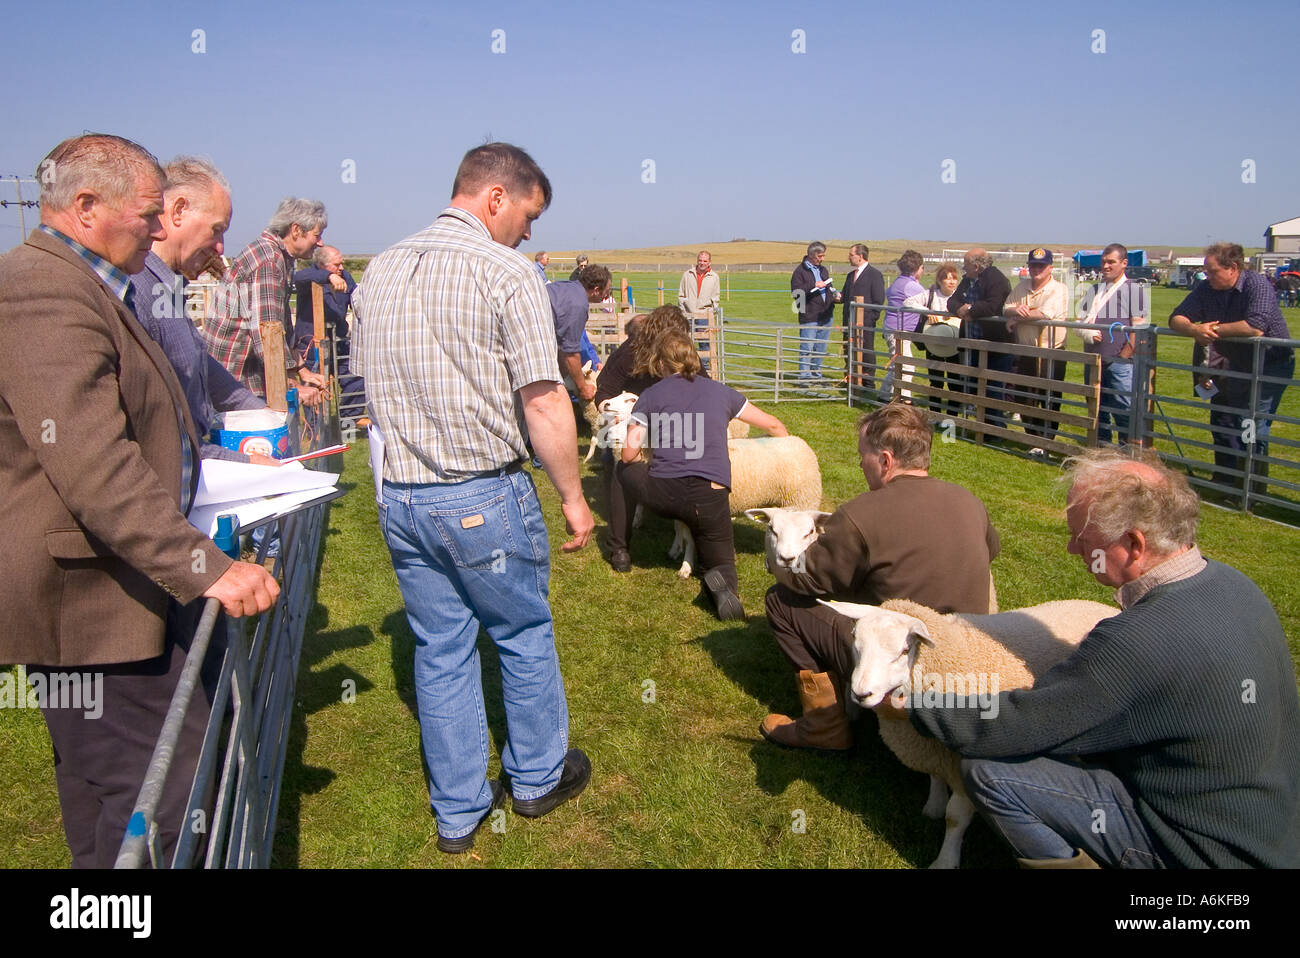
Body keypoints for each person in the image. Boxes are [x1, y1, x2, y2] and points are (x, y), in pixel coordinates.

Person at [0, 134, 279, 868]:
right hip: (89, 604)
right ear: (86, 206)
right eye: (150, 214)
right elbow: (93, 463)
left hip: (112, 589)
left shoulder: (95, 286)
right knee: (165, 796)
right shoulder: (42, 289)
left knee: (109, 796)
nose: (160, 230)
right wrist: (206, 567)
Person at [878, 447, 1300, 868]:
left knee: (986, 771)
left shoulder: (1137, 640)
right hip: (1268, 828)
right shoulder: (1235, 584)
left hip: (1197, 849)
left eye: (1082, 537)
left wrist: (918, 705)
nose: (1070, 549)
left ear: (1133, 544)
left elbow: (1022, 724)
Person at [352, 142, 593, 854]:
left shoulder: (378, 271)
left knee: (441, 647)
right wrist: (575, 497)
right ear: (494, 197)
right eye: (528, 213)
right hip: (479, 491)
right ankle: (537, 777)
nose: (528, 231)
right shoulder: (507, 272)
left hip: (402, 494)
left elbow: (365, 391)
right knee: (521, 633)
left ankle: (458, 810)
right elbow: (545, 398)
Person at [760, 403, 998, 750]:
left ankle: (823, 724)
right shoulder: (969, 501)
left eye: (864, 455)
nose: (860, 463)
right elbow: (992, 550)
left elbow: (807, 578)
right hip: (961, 650)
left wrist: (776, 564)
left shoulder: (860, 513)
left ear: (885, 461)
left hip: (905, 651)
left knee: (780, 601)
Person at [616, 325, 788, 620]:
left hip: (664, 491)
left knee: (622, 469)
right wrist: (787, 451)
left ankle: (619, 546)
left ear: (659, 364)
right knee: (721, 559)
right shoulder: (722, 392)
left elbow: (629, 453)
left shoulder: (650, 395)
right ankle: (721, 584)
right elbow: (772, 425)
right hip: (711, 492)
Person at [129, 156, 276, 465]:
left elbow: (198, 362)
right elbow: (163, 440)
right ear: (179, 210)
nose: (220, 247)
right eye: (216, 230)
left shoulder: (168, 287)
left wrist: (260, 414)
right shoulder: (137, 293)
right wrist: (247, 463)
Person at [1169, 242, 1294, 495]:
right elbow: (1176, 317)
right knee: (1230, 418)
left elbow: (1255, 326)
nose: (1207, 276)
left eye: (1213, 271)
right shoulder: (1207, 288)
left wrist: (1211, 330)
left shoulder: (1257, 284)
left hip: (1270, 364)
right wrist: (1194, 329)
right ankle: (1229, 479)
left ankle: (1252, 489)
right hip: (1236, 363)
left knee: (1254, 423)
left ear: (1233, 268)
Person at [202, 197, 331, 407]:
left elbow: (281, 325)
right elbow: (266, 333)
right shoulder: (268, 260)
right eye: (317, 235)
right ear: (296, 230)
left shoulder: (279, 257)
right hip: (234, 378)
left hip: (243, 372)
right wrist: (291, 388)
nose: (320, 243)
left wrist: (300, 369)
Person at [1077, 244, 1148, 445]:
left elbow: (1139, 329)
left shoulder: (1133, 289)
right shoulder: (1094, 289)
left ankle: (1128, 452)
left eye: (1111, 262)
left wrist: (1123, 356)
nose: (1106, 266)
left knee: (1123, 409)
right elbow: (1079, 321)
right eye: (1103, 262)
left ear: (1124, 263)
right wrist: (1087, 332)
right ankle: (1103, 449)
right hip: (1094, 360)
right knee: (1097, 408)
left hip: (1119, 363)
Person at [1004, 247, 1068, 445]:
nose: (1036, 269)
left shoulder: (1059, 289)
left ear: (1050, 267)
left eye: (1041, 265)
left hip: (1051, 352)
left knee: (1048, 397)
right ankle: (1032, 438)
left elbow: (1044, 314)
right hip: (1026, 351)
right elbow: (1005, 307)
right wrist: (1015, 311)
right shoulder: (1021, 287)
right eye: (1033, 265)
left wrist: (1017, 318)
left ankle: (1046, 440)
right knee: (1024, 396)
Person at [949, 248, 1012, 427]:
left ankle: (994, 429)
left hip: (995, 343)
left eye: (966, 264)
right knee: (977, 384)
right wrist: (960, 309)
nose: (963, 268)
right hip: (974, 342)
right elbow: (952, 301)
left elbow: (993, 306)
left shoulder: (996, 279)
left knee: (993, 388)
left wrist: (970, 310)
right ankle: (981, 426)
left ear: (976, 266)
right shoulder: (967, 280)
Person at [546, 264, 612, 402]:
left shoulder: (565, 287)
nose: (607, 295)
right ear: (596, 290)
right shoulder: (578, 305)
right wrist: (583, 388)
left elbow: (561, 346)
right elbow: (570, 353)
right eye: (607, 291)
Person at [292, 245, 356, 356]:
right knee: (316, 372)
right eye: (336, 265)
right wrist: (329, 276)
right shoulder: (308, 276)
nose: (341, 268)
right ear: (321, 265)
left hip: (339, 342)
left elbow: (356, 298)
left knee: (351, 372)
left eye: (342, 263)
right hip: (312, 346)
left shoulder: (345, 276)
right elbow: (299, 277)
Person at [881, 250, 926, 401]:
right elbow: (926, 297)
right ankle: (903, 400)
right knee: (906, 366)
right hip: (899, 330)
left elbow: (888, 293)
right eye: (921, 267)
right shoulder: (911, 286)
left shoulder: (899, 281)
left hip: (892, 327)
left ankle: (884, 395)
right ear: (917, 268)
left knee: (896, 364)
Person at [837, 243, 885, 387]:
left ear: (860, 256)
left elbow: (878, 301)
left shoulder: (875, 275)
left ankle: (868, 383)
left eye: (851, 255)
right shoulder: (850, 275)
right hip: (849, 322)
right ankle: (851, 381)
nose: (849, 257)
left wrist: (869, 320)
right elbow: (844, 296)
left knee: (866, 353)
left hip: (865, 323)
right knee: (849, 350)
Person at [919, 263, 962, 416]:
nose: (951, 282)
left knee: (955, 381)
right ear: (939, 280)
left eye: (954, 278)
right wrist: (928, 312)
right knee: (935, 381)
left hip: (954, 342)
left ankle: (952, 417)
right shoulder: (931, 294)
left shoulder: (960, 295)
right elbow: (909, 302)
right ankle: (934, 415)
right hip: (934, 342)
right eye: (947, 278)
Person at [791, 241, 838, 380]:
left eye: (823, 256)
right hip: (810, 316)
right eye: (820, 256)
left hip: (826, 315)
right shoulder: (800, 272)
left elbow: (829, 287)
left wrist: (835, 296)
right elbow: (796, 294)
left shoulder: (823, 270)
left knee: (821, 348)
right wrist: (813, 284)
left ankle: (816, 374)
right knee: (807, 347)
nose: (822, 259)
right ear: (812, 255)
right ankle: (804, 376)